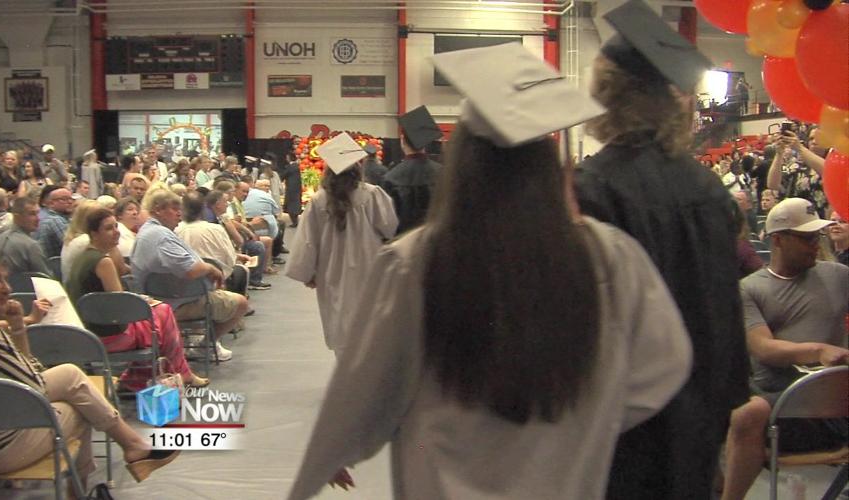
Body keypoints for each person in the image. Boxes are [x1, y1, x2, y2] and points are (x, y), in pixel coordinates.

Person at [287, 42, 692, 500]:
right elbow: (664, 365)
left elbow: (366, 389)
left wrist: (328, 457)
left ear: (463, 165)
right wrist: (593, 415)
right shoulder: (610, 256)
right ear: (549, 164)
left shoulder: (417, 262)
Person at [572, 2, 749, 498]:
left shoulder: (593, 189)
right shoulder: (709, 190)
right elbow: (723, 307)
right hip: (700, 413)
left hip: (626, 419)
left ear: (606, 96)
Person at [0, 244, 180, 485]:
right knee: (81, 404)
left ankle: (130, 447)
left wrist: (17, 326)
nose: (7, 289)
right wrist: (20, 329)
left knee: (71, 379)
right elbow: (35, 388)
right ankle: (90, 480)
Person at [721, 198, 848, 499]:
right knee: (748, 412)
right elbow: (763, 348)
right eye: (806, 238)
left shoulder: (837, 276)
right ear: (778, 240)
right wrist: (819, 350)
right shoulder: (750, 288)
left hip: (838, 400)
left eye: (817, 237)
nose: (815, 245)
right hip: (780, 404)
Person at [65, 207, 208, 389]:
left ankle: (141, 377)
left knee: (160, 316)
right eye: (109, 229)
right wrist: (144, 302)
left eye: (116, 226)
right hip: (108, 337)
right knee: (163, 312)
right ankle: (180, 372)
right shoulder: (103, 262)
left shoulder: (83, 257)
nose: (116, 232)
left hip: (87, 334)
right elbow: (122, 307)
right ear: (93, 233)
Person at [286, 133, 398, 356]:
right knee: (369, 322)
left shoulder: (318, 200)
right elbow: (389, 227)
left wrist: (308, 274)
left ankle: (346, 371)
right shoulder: (373, 195)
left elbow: (308, 241)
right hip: (370, 267)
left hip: (332, 272)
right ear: (358, 167)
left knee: (340, 321)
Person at [131, 189, 248, 362]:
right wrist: (210, 268)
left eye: (180, 208)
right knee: (241, 303)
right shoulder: (161, 235)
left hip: (158, 299)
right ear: (157, 209)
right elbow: (191, 270)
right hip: (175, 303)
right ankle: (206, 345)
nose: (179, 213)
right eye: (173, 208)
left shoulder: (147, 232)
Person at [381, 105, 444, 235]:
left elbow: (388, 222)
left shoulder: (391, 178)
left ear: (402, 141)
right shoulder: (443, 174)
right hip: (436, 242)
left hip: (403, 243)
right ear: (425, 143)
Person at [0, 197, 50, 276]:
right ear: (17, 217)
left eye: (37, 213)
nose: (38, 219)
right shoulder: (31, 246)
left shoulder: (0, 238)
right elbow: (47, 280)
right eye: (32, 214)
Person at [35, 187, 74, 259]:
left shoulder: (56, 218)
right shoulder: (54, 220)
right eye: (64, 199)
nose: (70, 202)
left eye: (71, 198)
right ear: (51, 203)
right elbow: (72, 247)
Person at [279, 151, 303, 227]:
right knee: (293, 206)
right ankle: (295, 222)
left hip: (291, 190)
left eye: (287, 157)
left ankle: (295, 222)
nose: (286, 159)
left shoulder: (292, 166)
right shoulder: (296, 166)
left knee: (292, 207)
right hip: (295, 190)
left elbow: (283, 175)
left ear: (289, 157)